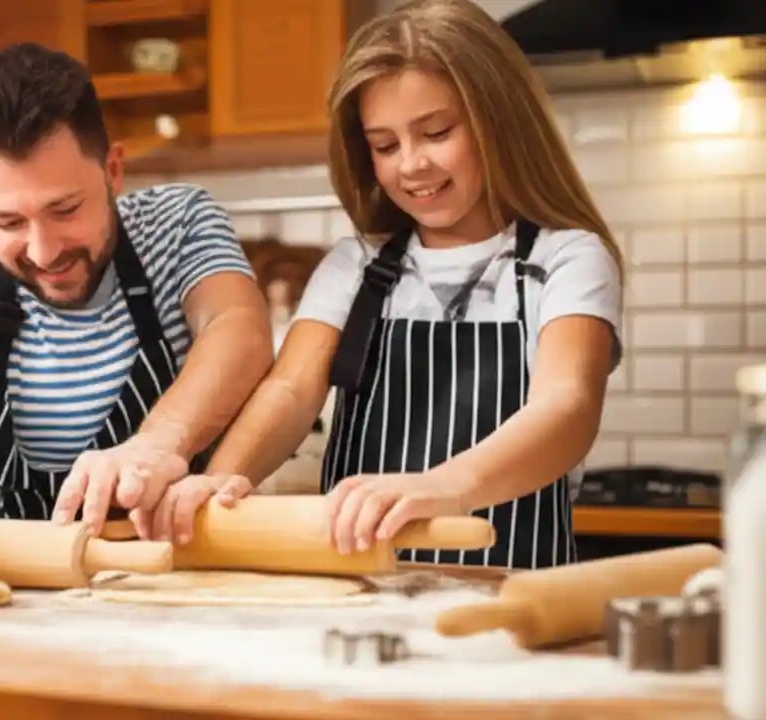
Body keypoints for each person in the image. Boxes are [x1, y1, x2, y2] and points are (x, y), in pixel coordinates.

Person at [145, 0, 623, 568]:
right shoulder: (358, 266)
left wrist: (446, 487)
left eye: (436, 132)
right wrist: (220, 480)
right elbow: (291, 391)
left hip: (511, 600)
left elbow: (567, 407)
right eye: (385, 145)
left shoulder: (564, 258)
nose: (412, 164)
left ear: (499, 121)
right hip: (360, 601)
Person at [0, 43, 273, 537]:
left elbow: (240, 330)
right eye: (8, 221)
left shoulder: (178, 224)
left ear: (113, 171)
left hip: (163, 572)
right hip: (1, 590)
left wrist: (155, 446)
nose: (42, 252)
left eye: (64, 210)